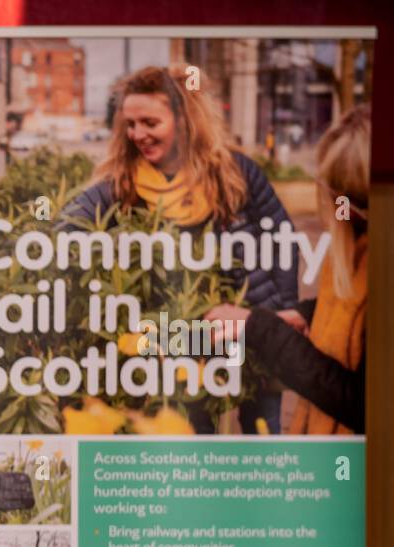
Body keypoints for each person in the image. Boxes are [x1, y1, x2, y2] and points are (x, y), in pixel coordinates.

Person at [62, 64, 297, 432]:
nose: (138, 134)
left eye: (150, 123)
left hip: (249, 329)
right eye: (130, 123)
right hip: (181, 342)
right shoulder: (122, 184)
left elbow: (282, 240)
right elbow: (61, 229)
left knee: (263, 436)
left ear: (185, 119)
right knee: (191, 440)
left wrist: (280, 315)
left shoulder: (236, 173)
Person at [206, 105, 369, 435]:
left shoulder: (240, 170)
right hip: (247, 325)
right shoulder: (358, 247)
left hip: (255, 325)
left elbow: (362, 401)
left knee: (263, 422)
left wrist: (267, 320)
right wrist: (302, 314)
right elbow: (346, 310)